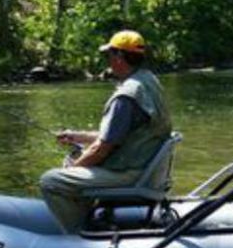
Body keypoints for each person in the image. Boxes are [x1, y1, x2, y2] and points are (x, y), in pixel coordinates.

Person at [40, 30, 172, 233]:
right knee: (75, 161)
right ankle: (89, 218)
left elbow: (102, 148)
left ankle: (79, 235)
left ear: (119, 57)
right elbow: (123, 135)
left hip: (130, 174)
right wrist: (79, 136)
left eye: (109, 55)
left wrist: (74, 168)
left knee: (51, 181)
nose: (108, 61)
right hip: (147, 169)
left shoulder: (126, 97)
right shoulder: (149, 81)